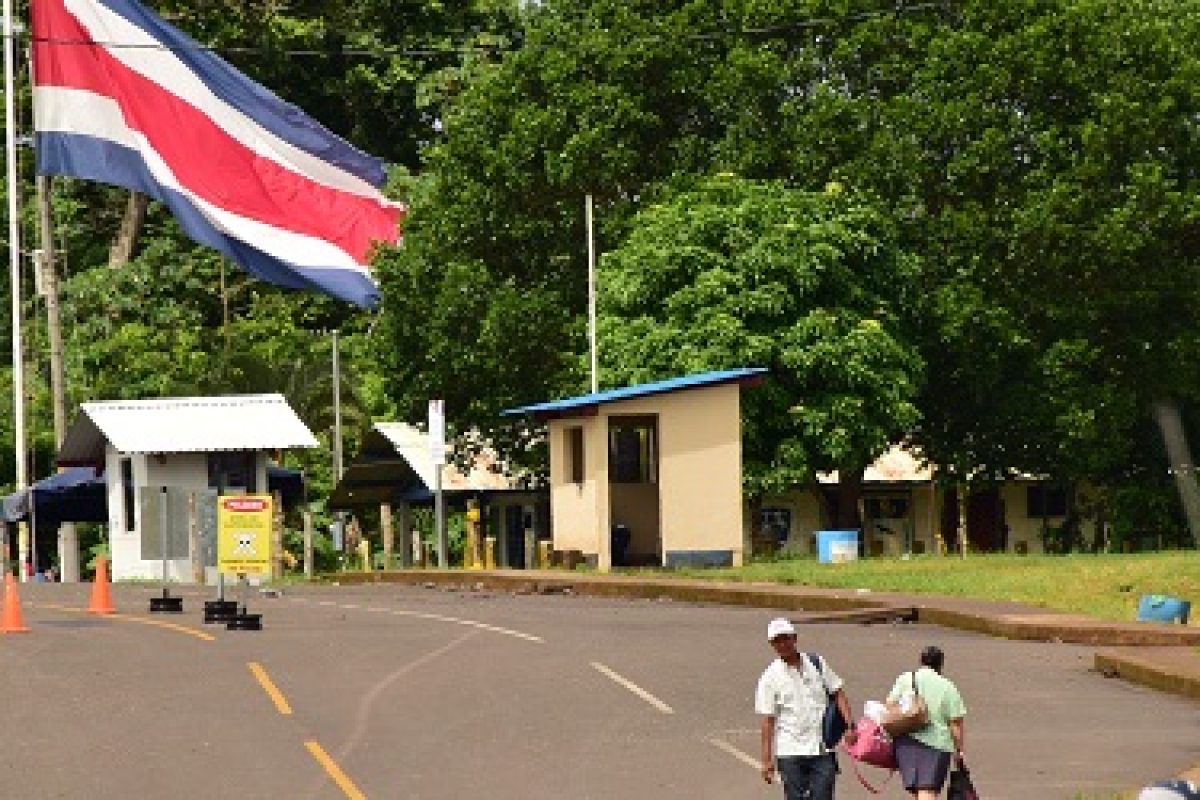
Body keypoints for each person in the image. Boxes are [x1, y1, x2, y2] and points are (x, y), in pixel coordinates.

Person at [755, 617, 856, 800]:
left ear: (794, 638)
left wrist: (850, 726)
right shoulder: (769, 678)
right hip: (790, 752)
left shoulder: (816, 663)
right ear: (772, 644)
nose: (783, 644)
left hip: (822, 748)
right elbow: (768, 721)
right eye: (777, 641)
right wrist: (766, 760)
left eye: (786, 638)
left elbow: (838, 692)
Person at [887, 645, 967, 800]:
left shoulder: (906, 679)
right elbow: (955, 723)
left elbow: (890, 704)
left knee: (915, 790)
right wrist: (959, 750)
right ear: (940, 664)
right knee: (927, 790)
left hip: (906, 742)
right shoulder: (947, 687)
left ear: (921, 661)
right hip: (936, 744)